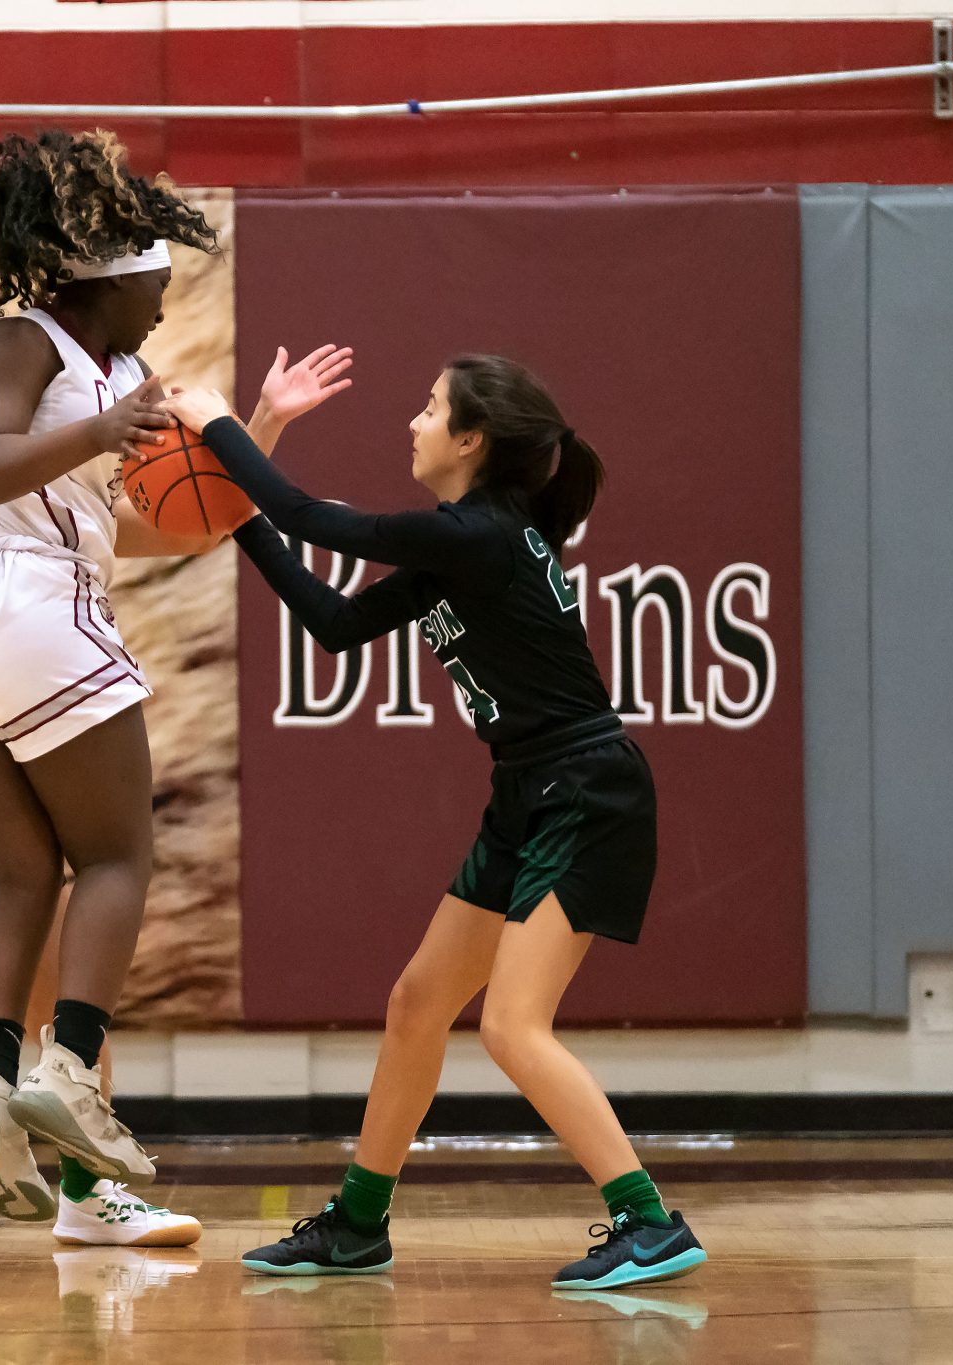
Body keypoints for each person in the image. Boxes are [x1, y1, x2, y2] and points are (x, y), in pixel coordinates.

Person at [163, 357, 706, 1289]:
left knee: (512, 1026)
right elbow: (334, 623)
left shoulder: (482, 534)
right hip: (528, 790)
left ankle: (650, 1221)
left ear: (471, 439)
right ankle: (357, 1224)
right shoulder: (462, 547)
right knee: (418, 1002)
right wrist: (242, 515)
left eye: (428, 409)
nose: (411, 423)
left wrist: (220, 426)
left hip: (587, 791)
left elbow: (313, 518)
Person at [0, 128, 345, 1246]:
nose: (164, 298)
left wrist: (266, 424)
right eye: (158, 279)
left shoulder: (127, 379)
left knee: (19, 870)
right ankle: (71, 1074)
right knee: (116, 856)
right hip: (14, 591)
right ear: (113, 274)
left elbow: (169, 524)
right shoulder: (17, 339)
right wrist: (102, 429)